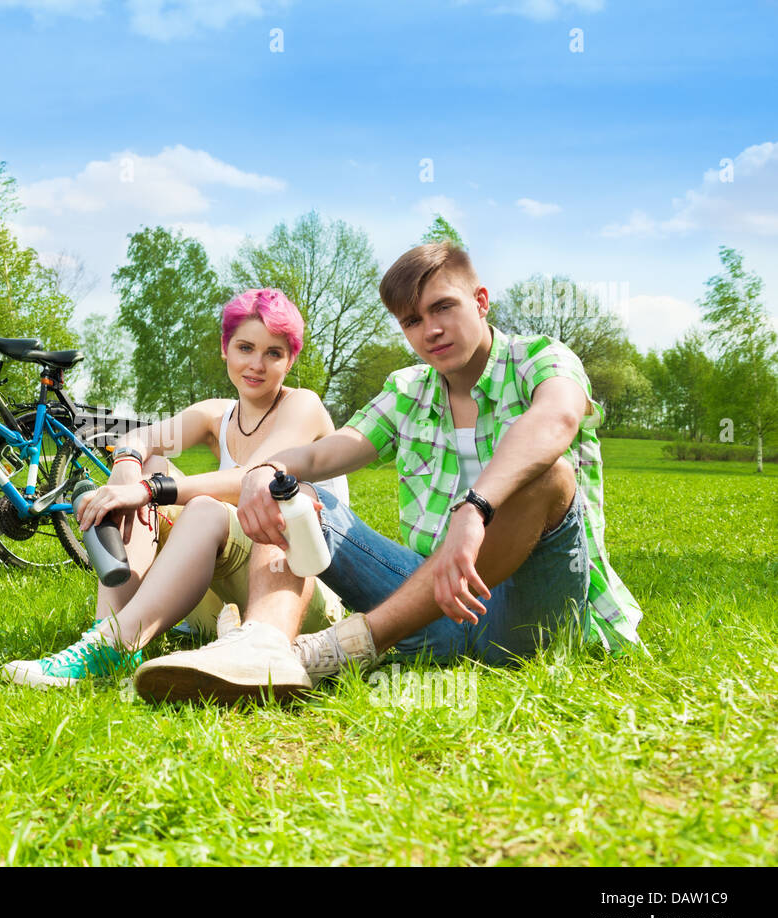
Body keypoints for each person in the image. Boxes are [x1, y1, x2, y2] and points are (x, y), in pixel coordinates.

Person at [133, 242, 645, 704]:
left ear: (481, 300)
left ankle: (335, 649)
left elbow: (553, 421)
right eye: (412, 321)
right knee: (291, 489)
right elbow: (329, 452)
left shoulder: (539, 358)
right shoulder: (408, 388)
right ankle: (263, 646)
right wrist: (265, 469)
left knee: (549, 475)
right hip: (429, 608)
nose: (431, 330)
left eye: (443, 307)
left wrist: (477, 507)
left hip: (529, 616)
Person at [3, 288, 350, 687]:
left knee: (202, 507)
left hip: (294, 599)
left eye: (273, 353)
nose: (256, 364)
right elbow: (141, 438)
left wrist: (149, 490)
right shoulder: (215, 415)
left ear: (291, 360)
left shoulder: (302, 406)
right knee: (151, 462)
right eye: (245, 347)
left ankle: (110, 645)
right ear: (225, 348)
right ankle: (106, 632)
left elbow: (255, 477)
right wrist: (127, 467)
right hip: (220, 605)